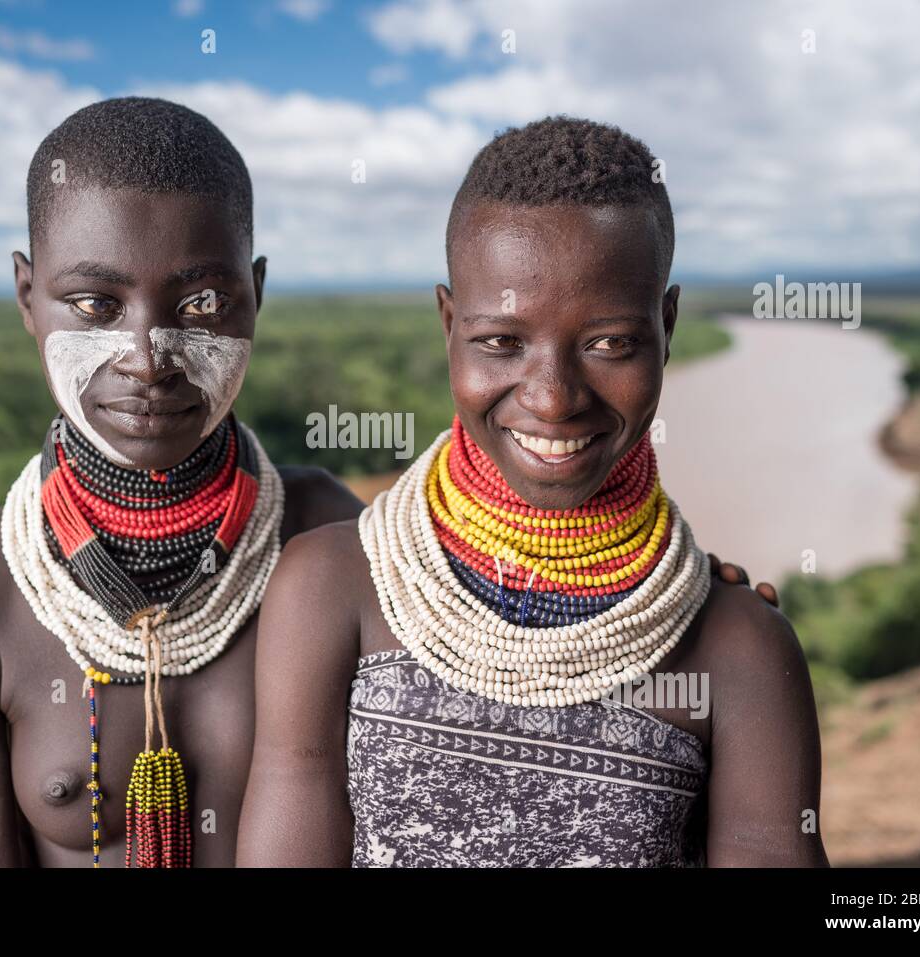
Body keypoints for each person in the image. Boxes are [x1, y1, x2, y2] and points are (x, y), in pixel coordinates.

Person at [236, 117, 826, 867]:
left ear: (667, 327)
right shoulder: (327, 588)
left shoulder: (739, 648)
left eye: (609, 342)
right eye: (502, 342)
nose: (552, 399)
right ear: (450, 325)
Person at [0, 97, 361, 867]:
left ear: (257, 295)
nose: (147, 357)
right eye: (94, 304)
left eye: (201, 303)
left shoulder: (330, 539)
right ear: (26, 300)